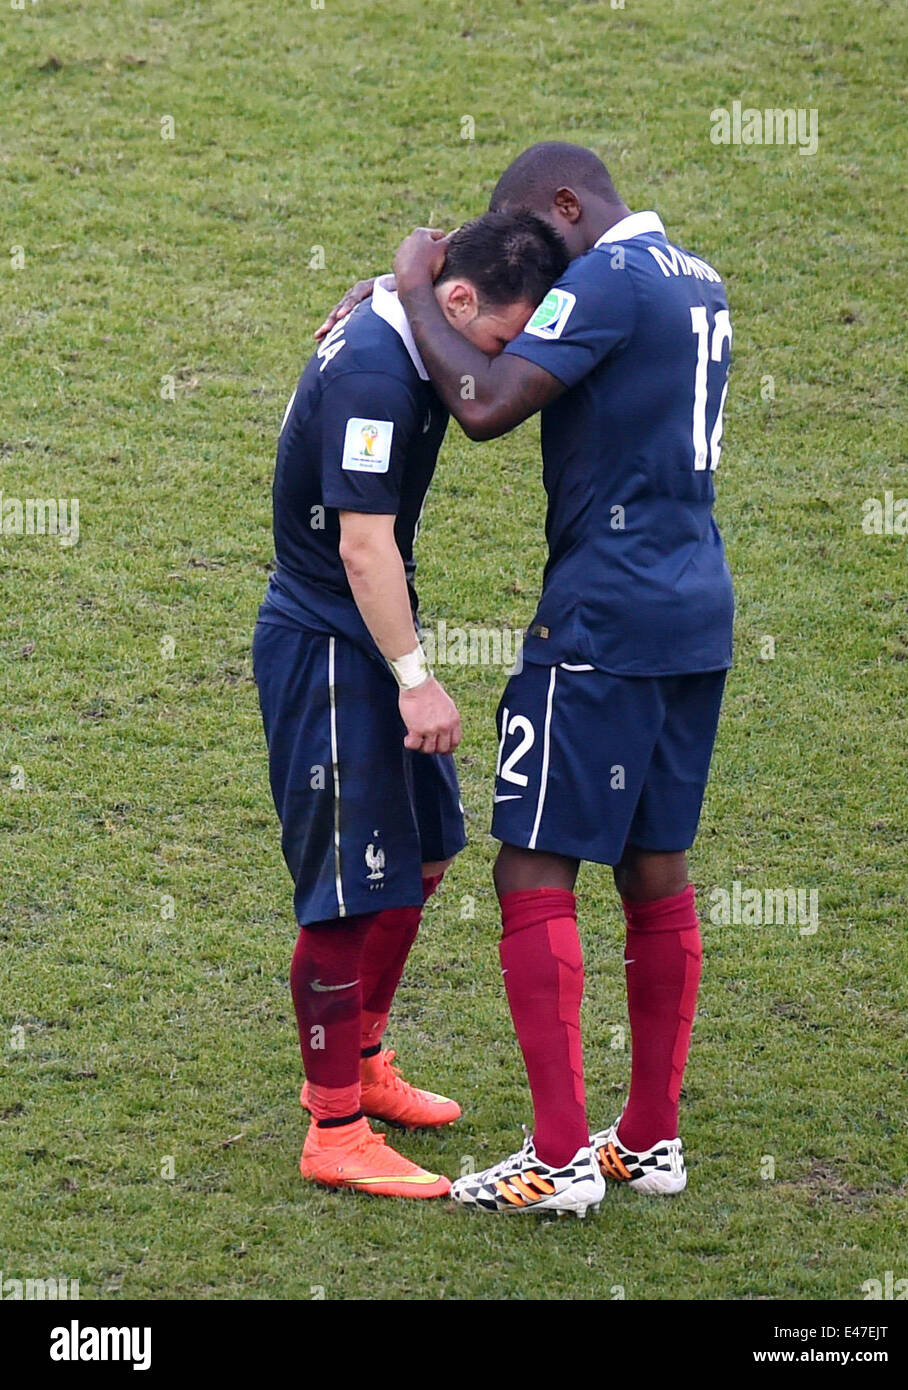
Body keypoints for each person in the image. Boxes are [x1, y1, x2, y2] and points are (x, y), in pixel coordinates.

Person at [318, 141, 734, 1217]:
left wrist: (410, 285)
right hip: (697, 609)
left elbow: (488, 401)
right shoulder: (699, 278)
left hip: (603, 614)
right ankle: (644, 1138)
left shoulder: (608, 276)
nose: (535, 262)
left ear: (566, 205)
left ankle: (555, 1158)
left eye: (536, 233)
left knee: (532, 869)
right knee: (654, 868)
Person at [253, 209, 569, 1200]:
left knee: (426, 850)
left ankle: (365, 1058)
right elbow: (361, 545)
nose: (494, 368)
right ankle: (332, 1124)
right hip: (333, 649)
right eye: (494, 341)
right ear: (457, 300)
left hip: (361, 635)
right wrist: (413, 677)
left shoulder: (417, 300)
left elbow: (428, 243)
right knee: (345, 896)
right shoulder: (375, 378)